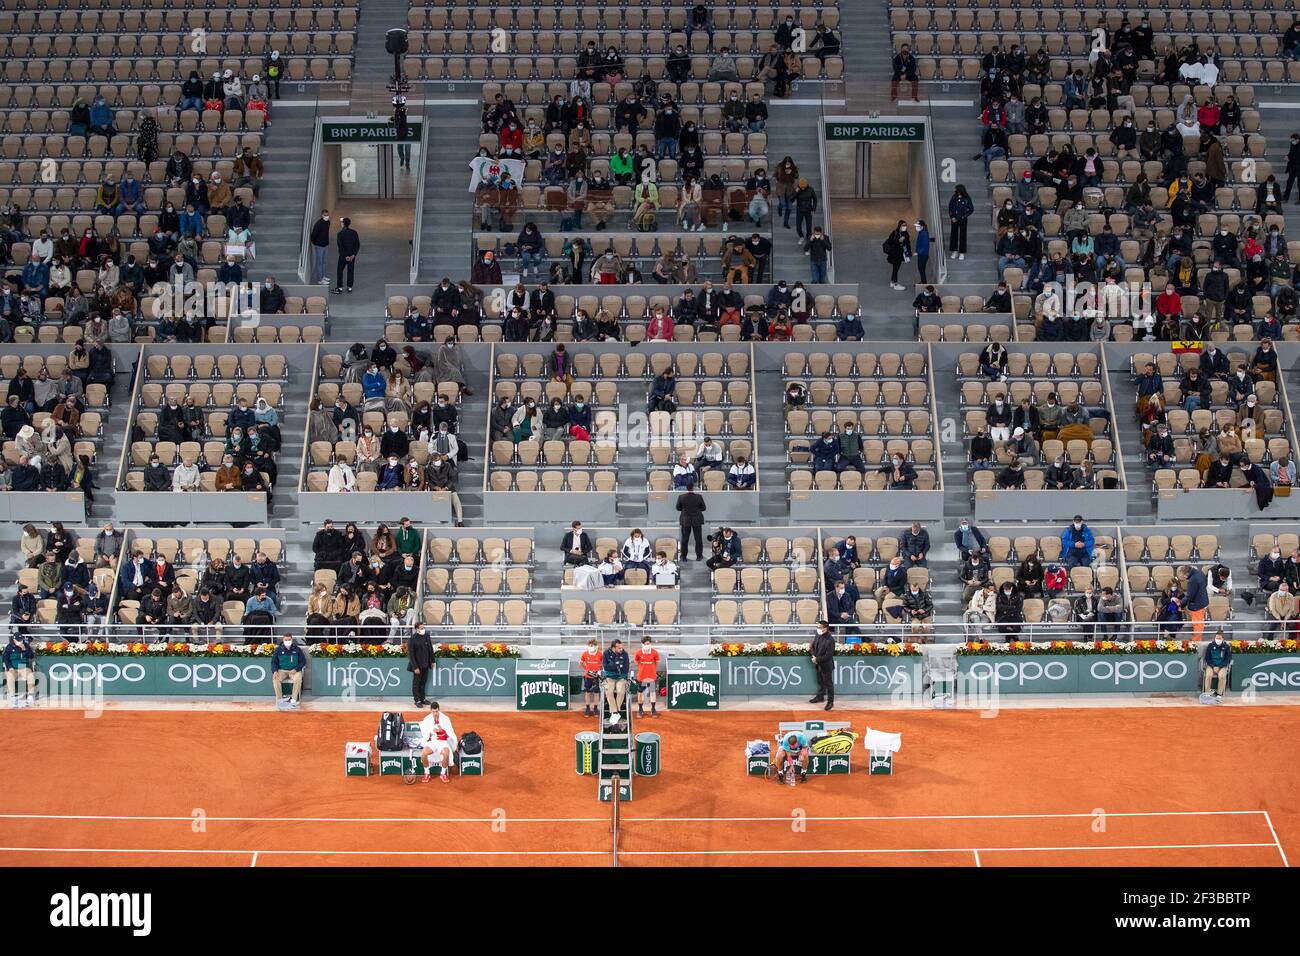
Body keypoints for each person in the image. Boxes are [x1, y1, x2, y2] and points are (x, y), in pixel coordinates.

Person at [418, 701, 458, 783]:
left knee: (446, 753)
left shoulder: (445, 719)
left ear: (439, 709)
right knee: (424, 753)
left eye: (436, 711)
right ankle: (427, 773)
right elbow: (425, 734)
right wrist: (431, 731)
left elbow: (450, 733)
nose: (435, 713)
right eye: (433, 712)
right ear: (431, 710)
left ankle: (443, 774)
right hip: (432, 741)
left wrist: (442, 731)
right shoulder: (427, 719)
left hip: (442, 741)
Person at [271, 634, 306, 710]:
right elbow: (274, 662)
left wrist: (296, 669)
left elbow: (303, 661)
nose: (287, 641)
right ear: (283, 640)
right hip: (282, 670)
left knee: (298, 679)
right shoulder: (278, 649)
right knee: (275, 679)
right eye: (286, 640)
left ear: (292, 640)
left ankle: (293, 699)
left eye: (289, 640)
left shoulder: (297, 649)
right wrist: (275, 671)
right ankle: (280, 700)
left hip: (294, 670)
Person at [601, 638, 631, 725]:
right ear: (613, 648)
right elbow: (606, 667)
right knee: (608, 691)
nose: (621, 649)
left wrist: (614, 666)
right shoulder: (606, 653)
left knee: (621, 691)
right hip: (609, 677)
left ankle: (614, 713)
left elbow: (626, 669)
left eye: (621, 647)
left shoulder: (625, 654)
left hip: (621, 677)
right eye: (619, 648)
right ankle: (615, 712)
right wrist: (618, 666)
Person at [676, 482, 706, 561]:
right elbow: (703, 508)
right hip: (697, 520)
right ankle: (699, 556)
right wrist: (697, 509)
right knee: (698, 539)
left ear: (686, 488)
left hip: (685, 520)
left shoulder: (681, 497)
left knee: (684, 539)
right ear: (693, 488)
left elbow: (678, 508)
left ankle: (683, 556)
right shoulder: (699, 497)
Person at [809, 619, 835, 709]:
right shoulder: (817, 635)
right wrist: (813, 656)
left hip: (826, 665)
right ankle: (820, 697)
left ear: (825, 628)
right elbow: (812, 646)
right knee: (820, 682)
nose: (818, 629)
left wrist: (817, 659)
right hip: (817, 664)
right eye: (817, 627)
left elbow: (829, 655)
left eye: (819, 627)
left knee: (828, 684)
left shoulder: (830, 640)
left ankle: (830, 702)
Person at [3, 633, 34, 707]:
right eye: (18, 640)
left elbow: (31, 656)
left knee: (30, 676)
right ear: (14, 640)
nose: (20, 641)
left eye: (21, 640)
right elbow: (5, 659)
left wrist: (25, 650)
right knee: (10, 676)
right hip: (13, 668)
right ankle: (13, 697)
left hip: (23, 667)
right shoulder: (9, 647)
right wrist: (10, 667)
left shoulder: (26, 645)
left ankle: (30, 696)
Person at [1201, 630, 1232, 702]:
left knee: (1222, 676)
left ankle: (1219, 694)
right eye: (1216, 638)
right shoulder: (1210, 645)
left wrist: (1220, 667)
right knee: (1208, 675)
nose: (1217, 639)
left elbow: (1227, 659)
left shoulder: (1226, 647)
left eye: (1219, 638)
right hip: (1211, 665)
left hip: (1222, 666)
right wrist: (1213, 666)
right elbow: (1207, 658)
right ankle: (1207, 693)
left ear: (1222, 639)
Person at [634, 636, 660, 718]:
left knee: (652, 693)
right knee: (640, 693)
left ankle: (653, 709)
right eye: (645, 644)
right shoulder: (638, 653)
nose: (647, 645)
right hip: (641, 677)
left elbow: (657, 662)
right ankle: (640, 709)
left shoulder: (655, 653)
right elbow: (636, 662)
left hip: (651, 677)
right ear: (642, 644)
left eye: (648, 643)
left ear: (650, 643)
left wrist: (651, 669)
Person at [1181, 564, 1209, 640]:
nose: (1184, 577)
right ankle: (1197, 638)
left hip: (1197, 604)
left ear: (1187, 573)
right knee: (1200, 621)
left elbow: (1190, 596)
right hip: (1203, 601)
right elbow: (1205, 583)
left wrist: (1181, 603)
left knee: (1197, 623)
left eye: (1184, 575)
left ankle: (1196, 641)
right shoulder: (1200, 573)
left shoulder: (1192, 580)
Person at [333, 216, 360, 294]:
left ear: (343, 224)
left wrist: (346, 256)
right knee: (350, 271)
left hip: (343, 256)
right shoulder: (354, 233)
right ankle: (349, 287)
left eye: (342, 222)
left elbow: (340, 247)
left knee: (340, 270)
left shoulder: (340, 234)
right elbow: (357, 245)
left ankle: (340, 287)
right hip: (352, 257)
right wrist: (353, 255)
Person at [579, 638, 603, 717]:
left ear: (596, 646)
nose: (590, 647)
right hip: (587, 676)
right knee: (587, 692)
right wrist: (585, 669)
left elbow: (604, 664)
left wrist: (599, 671)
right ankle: (587, 708)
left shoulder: (600, 654)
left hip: (596, 677)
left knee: (596, 693)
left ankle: (595, 708)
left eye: (592, 646)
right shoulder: (585, 654)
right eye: (589, 646)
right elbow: (580, 663)